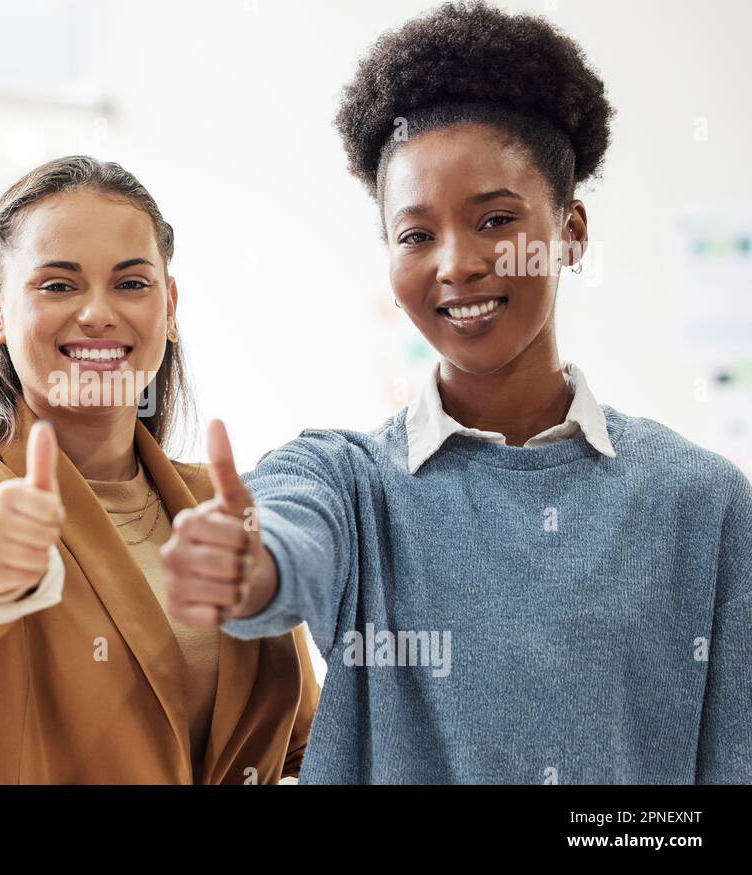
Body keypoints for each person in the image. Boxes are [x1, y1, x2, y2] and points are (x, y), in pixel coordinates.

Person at [163, 1, 751, 783]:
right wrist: (250, 563)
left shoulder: (702, 503)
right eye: (415, 235)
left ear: (571, 232)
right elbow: (286, 539)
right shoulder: (347, 479)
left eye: (496, 219)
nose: (456, 264)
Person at [0, 156, 317, 784]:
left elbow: (302, 743)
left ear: (170, 307)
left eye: (132, 284)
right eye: (58, 285)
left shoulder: (219, 502)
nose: (99, 314)